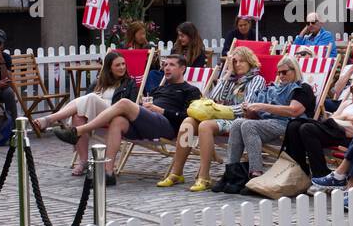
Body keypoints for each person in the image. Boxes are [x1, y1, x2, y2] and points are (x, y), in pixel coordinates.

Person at [61, 54, 202, 185]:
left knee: (124, 103)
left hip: (166, 126)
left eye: (172, 65)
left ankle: (79, 131)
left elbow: (188, 117)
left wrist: (162, 111)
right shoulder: (158, 89)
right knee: (117, 121)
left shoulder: (190, 90)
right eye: (165, 65)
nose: (166, 68)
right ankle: (108, 172)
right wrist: (143, 107)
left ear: (182, 69)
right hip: (146, 123)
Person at [158, 47, 267, 191]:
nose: (238, 64)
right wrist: (227, 74)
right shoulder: (231, 79)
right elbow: (214, 98)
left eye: (242, 61)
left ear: (250, 62)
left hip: (240, 121)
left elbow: (248, 108)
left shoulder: (257, 79)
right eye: (235, 62)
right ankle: (177, 172)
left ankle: (204, 176)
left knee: (205, 126)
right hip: (221, 117)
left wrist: (219, 111)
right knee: (188, 122)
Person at [33, 51, 138, 175]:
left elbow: (131, 104)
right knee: (78, 116)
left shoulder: (129, 83)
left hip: (114, 114)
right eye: (117, 65)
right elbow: (83, 102)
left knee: (91, 97)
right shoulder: (100, 82)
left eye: (123, 64)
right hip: (95, 114)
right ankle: (83, 162)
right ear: (109, 68)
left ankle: (50, 119)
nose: (122, 67)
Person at [216, 57, 316, 184]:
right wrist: (251, 110)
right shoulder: (273, 88)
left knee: (248, 126)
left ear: (294, 70)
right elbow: (258, 115)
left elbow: (294, 111)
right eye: (278, 73)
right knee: (237, 123)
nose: (281, 76)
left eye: (284, 72)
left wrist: (262, 106)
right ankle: (231, 172)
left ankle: (256, 173)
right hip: (268, 123)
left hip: (289, 123)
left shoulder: (302, 88)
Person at [282, 76, 353, 178]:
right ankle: (300, 170)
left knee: (307, 128)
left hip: (349, 137)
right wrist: (346, 117)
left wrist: (344, 117)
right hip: (332, 129)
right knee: (294, 125)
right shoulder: (347, 103)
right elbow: (333, 118)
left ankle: (320, 173)